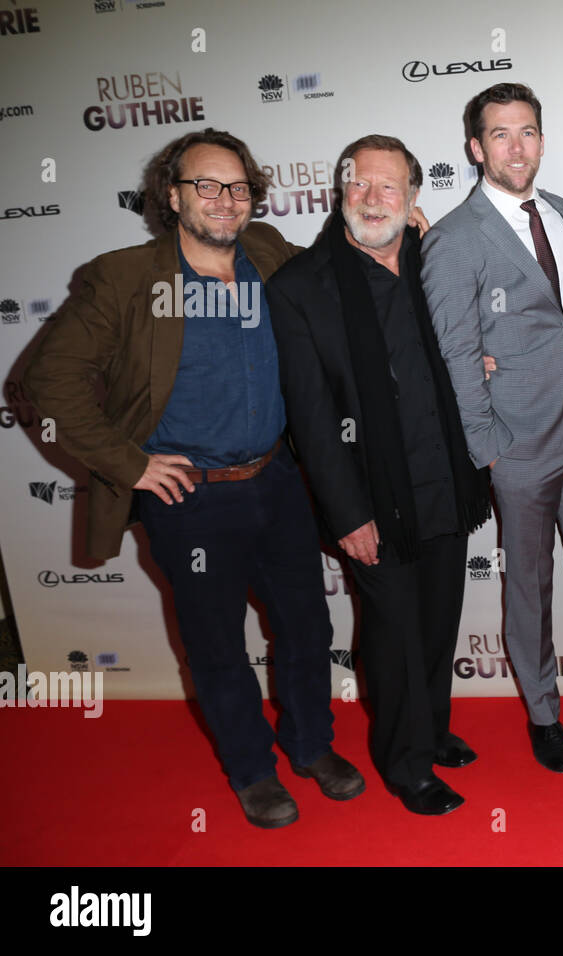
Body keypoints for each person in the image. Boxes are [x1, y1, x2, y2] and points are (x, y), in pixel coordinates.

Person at [23, 128, 364, 828]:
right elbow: (43, 380)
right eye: (206, 185)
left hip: (275, 479)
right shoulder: (123, 277)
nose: (225, 199)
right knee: (215, 644)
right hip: (190, 500)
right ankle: (251, 771)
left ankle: (309, 746)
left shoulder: (269, 254)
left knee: (306, 624)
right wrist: (131, 463)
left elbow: (344, 279)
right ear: (173, 195)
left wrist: (401, 231)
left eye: (238, 187)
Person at [422, 83, 563, 774]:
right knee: (529, 586)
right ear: (475, 148)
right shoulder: (454, 240)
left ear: (542, 141)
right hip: (517, 445)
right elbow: (457, 352)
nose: (516, 147)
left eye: (527, 132)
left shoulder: (559, 210)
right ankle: (544, 714)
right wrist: (486, 448)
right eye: (500, 134)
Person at [266, 135, 491, 816]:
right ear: (339, 192)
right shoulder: (301, 287)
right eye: (357, 185)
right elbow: (310, 420)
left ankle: (434, 730)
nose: (371, 199)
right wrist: (347, 515)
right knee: (392, 635)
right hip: (372, 495)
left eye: (388, 187)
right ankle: (405, 764)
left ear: (413, 198)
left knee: (437, 622)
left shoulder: (433, 261)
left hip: (446, 478)